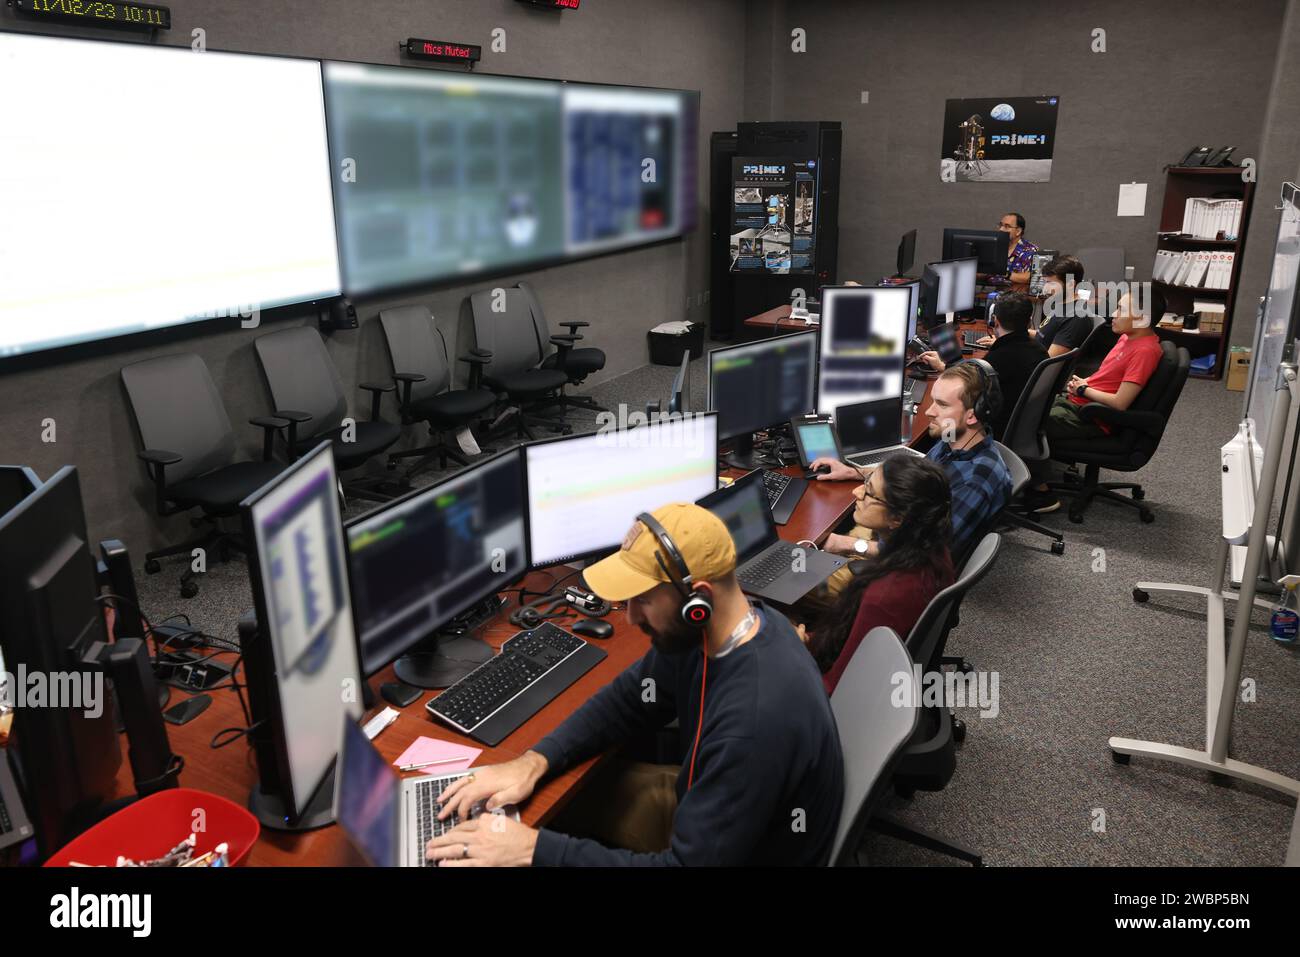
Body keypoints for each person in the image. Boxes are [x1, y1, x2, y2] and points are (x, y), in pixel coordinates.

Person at [425, 503, 844, 867]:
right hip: (717, 819)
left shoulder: (753, 724)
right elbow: (630, 698)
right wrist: (533, 762)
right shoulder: (732, 622)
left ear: (698, 597)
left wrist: (533, 849)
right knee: (540, 804)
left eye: (641, 600)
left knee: (536, 830)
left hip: (743, 854)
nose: (628, 618)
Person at [812, 362, 1013, 565]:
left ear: (973, 414)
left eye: (942, 405)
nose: (929, 412)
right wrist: (855, 472)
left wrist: (847, 545)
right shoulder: (951, 440)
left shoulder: (975, 480)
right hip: (895, 530)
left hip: (895, 565)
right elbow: (913, 479)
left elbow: (926, 554)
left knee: (800, 570)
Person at [800, 455, 954, 694]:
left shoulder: (882, 596)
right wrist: (809, 639)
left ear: (897, 519)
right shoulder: (933, 547)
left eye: (869, 492)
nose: (856, 493)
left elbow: (836, 685)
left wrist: (789, 652)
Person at [1024, 288, 1167, 513]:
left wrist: (1084, 390)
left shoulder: (1145, 351)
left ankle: (1039, 493)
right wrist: (1085, 382)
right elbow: (1106, 376)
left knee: (1025, 423)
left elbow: (1120, 402)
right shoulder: (1127, 337)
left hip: (1092, 416)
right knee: (1026, 406)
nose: (1114, 314)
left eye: (1121, 309)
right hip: (1081, 401)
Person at [916, 292, 1047, 439]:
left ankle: (944, 451)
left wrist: (942, 366)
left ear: (995, 322)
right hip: (1022, 424)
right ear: (1029, 322)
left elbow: (966, 382)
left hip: (994, 428)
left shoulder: (997, 359)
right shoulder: (1040, 350)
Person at [1034, 254, 1094, 356]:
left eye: (1051, 283)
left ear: (1071, 284)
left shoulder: (1076, 317)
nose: (1046, 289)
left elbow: (1049, 363)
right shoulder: (1061, 304)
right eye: (1045, 282)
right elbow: (1044, 335)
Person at [999, 212, 1038, 284]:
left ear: (1018, 231)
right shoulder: (995, 246)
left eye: (1007, 226)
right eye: (1000, 225)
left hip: (1014, 292)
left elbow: (1032, 277)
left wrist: (1006, 274)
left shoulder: (1030, 250)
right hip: (988, 290)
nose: (1001, 229)